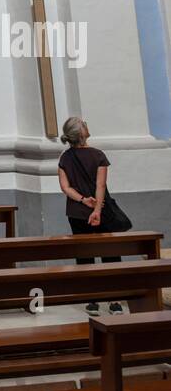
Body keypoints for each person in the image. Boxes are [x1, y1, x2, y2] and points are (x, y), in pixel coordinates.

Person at [58, 115, 123, 314]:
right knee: (110, 256)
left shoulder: (65, 158)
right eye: (84, 124)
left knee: (84, 256)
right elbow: (100, 185)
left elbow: (65, 187)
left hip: (77, 213)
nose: (87, 125)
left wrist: (82, 200)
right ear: (82, 133)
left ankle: (92, 301)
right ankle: (114, 302)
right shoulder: (98, 155)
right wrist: (96, 210)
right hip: (100, 212)